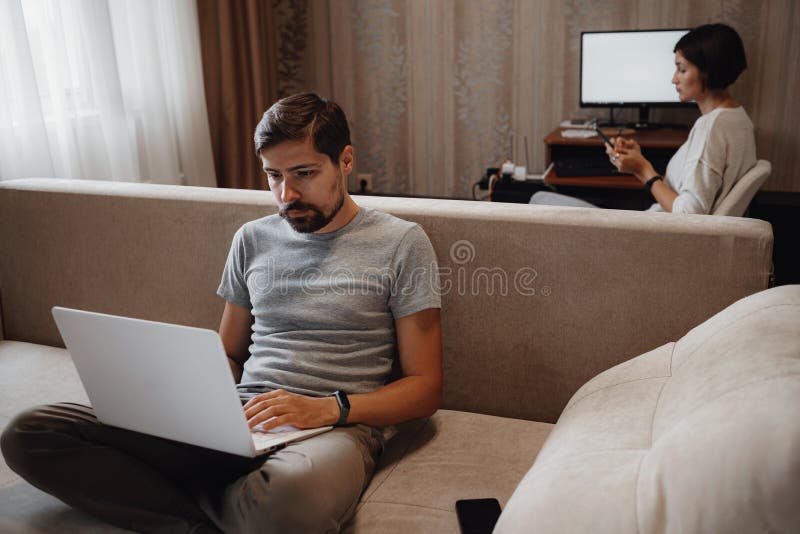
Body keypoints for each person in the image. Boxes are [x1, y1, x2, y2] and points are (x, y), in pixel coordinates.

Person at [1, 93, 443, 533]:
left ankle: (198, 508)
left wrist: (330, 409)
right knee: (30, 433)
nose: (287, 194)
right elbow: (229, 353)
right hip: (237, 417)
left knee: (290, 499)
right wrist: (184, 404)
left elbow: (425, 388)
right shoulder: (252, 239)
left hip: (334, 429)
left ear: (345, 161)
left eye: (304, 174)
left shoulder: (401, 243)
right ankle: (220, 517)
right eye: (273, 176)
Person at [531, 23, 756, 214]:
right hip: (658, 228)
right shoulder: (738, 118)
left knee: (540, 200)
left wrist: (643, 171)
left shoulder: (711, 128)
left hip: (654, 237)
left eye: (682, 69)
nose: (673, 79)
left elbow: (689, 215)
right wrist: (641, 161)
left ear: (708, 71)